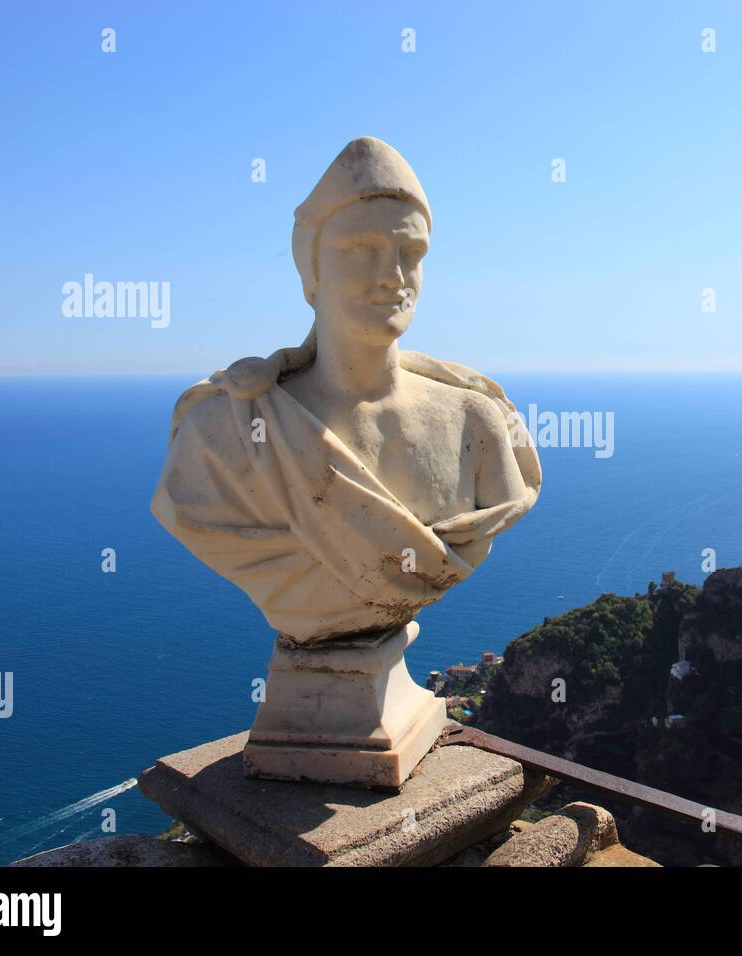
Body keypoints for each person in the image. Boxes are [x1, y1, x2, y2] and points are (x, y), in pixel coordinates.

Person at [150, 137, 541, 644]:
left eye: (412, 253)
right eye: (362, 249)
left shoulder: (478, 422)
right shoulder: (221, 432)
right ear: (310, 269)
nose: (394, 277)